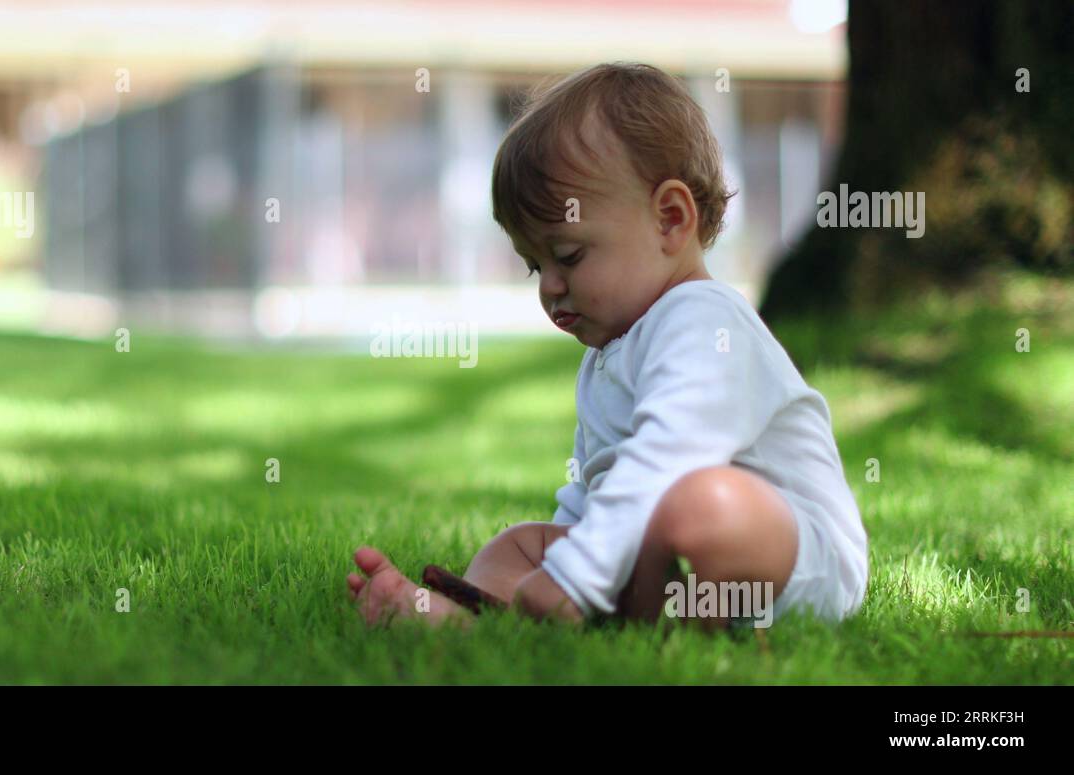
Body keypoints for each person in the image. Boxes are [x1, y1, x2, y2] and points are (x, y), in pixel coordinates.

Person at [347, 62, 868, 630]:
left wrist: (578, 572)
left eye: (568, 256)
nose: (548, 285)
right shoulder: (606, 357)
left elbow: (670, 455)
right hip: (664, 569)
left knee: (702, 503)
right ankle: (471, 623)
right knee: (520, 546)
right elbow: (596, 487)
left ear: (669, 219)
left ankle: (631, 620)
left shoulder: (706, 322)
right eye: (533, 265)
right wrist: (564, 558)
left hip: (789, 566)